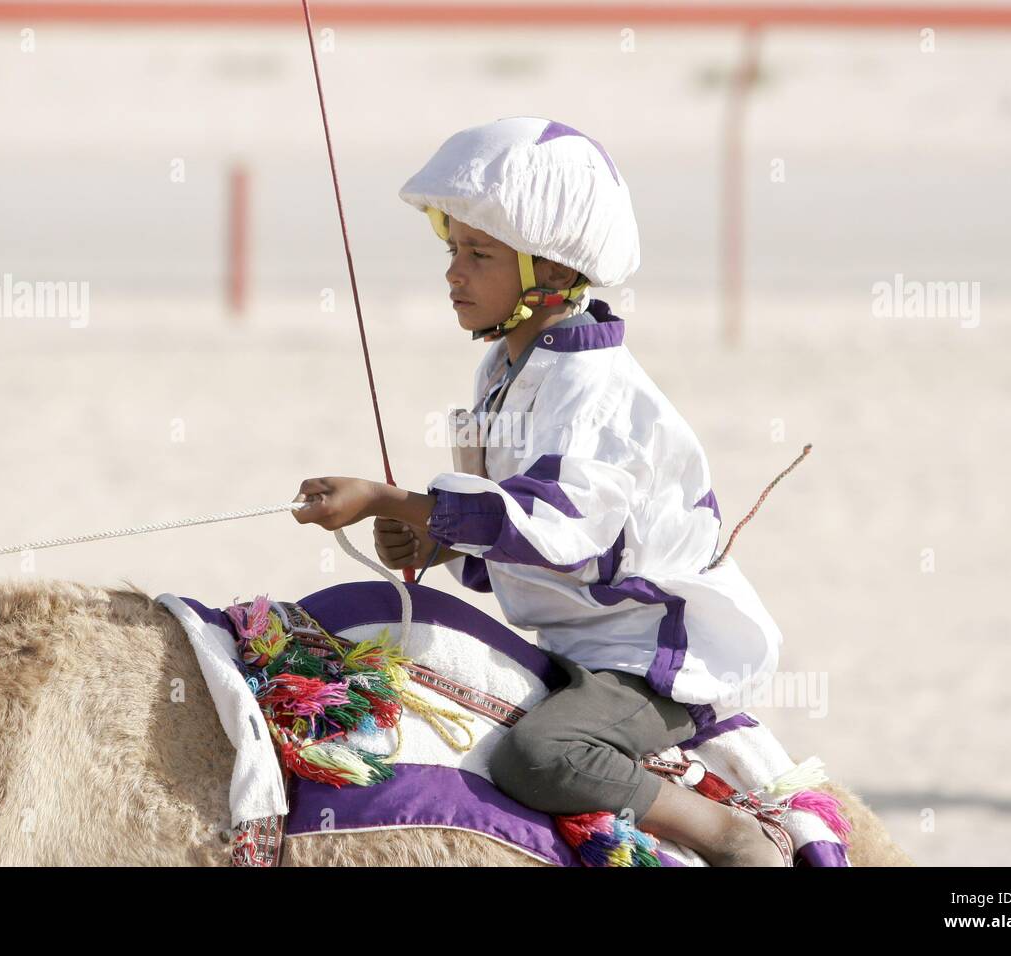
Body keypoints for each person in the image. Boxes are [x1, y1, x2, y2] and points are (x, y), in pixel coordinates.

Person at [292, 116, 789, 865]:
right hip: (569, 637)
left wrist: (392, 501)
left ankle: (728, 836)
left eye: (480, 254)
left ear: (552, 274)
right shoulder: (504, 367)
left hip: (648, 652)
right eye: (452, 248)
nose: (454, 273)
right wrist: (430, 540)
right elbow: (502, 546)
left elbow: (558, 532)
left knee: (538, 757)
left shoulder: (597, 391)